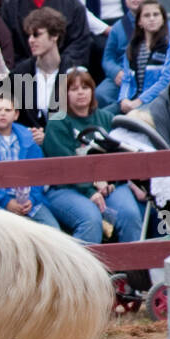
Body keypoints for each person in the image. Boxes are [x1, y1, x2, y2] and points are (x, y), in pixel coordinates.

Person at [42, 68, 145, 243]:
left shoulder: (106, 118)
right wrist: (90, 189)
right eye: (74, 89)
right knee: (91, 220)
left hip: (107, 184)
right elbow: (65, 167)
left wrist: (110, 183)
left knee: (130, 214)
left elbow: (118, 155)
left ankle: (134, 268)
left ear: (92, 90)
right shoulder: (57, 122)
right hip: (67, 188)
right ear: (65, 95)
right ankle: (80, 270)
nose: (80, 92)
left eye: (85, 87)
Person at [0, 93, 60, 228]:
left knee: (53, 230)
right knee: (3, 236)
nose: (2, 114)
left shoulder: (28, 138)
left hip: (30, 202)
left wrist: (32, 199)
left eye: (7, 110)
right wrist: (6, 201)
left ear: (16, 115)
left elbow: (39, 172)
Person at [10, 7, 75, 136]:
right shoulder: (20, 74)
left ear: (54, 35)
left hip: (64, 144)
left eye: (36, 34)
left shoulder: (72, 72)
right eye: (29, 35)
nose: (31, 40)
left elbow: (80, 119)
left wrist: (48, 137)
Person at [117, 0, 170, 114]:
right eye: (146, 15)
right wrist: (123, 99)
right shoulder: (132, 47)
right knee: (107, 116)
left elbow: (166, 80)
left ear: (163, 19)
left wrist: (140, 101)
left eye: (156, 15)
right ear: (139, 21)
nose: (152, 19)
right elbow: (126, 79)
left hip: (157, 103)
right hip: (131, 101)